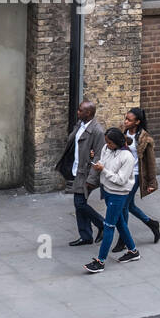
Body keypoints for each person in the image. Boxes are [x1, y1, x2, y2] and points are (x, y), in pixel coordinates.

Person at [83, 128, 140, 273]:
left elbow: (121, 180)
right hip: (107, 190)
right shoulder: (106, 148)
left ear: (117, 142)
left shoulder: (127, 157)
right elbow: (102, 161)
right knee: (120, 222)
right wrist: (96, 160)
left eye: (109, 143)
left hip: (118, 194)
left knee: (108, 226)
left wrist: (103, 170)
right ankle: (133, 252)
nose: (106, 145)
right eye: (106, 142)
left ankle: (100, 261)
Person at [113, 106, 160, 251]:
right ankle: (152, 223)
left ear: (137, 122)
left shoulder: (145, 138)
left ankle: (123, 239)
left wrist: (152, 182)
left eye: (129, 120)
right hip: (122, 173)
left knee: (122, 207)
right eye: (125, 118)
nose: (125, 121)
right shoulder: (122, 131)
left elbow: (151, 162)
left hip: (134, 175)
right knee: (130, 206)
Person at [59, 100, 105, 247]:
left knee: (79, 203)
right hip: (76, 169)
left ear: (89, 113)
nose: (77, 112)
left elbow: (99, 156)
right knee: (80, 204)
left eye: (80, 111)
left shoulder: (97, 131)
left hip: (86, 173)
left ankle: (102, 224)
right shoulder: (80, 124)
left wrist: (91, 179)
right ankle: (85, 236)